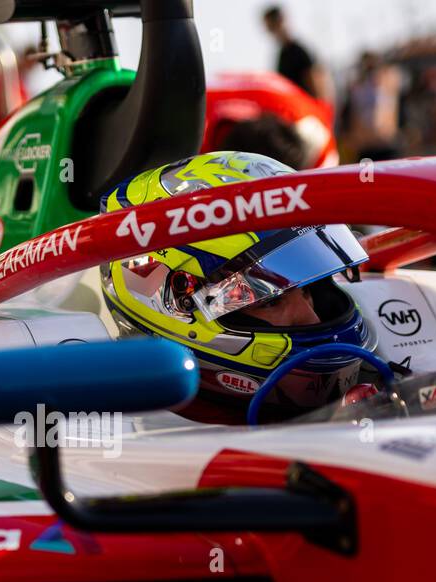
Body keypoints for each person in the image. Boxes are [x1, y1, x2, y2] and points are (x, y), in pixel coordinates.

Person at [99, 151, 375, 424]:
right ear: (175, 305)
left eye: (307, 289)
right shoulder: (110, 436)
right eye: (270, 301)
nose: (312, 317)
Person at [263, 7, 328, 102]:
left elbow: (316, 86)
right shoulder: (283, 54)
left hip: (305, 109)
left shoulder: (299, 52)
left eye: (271, 25)